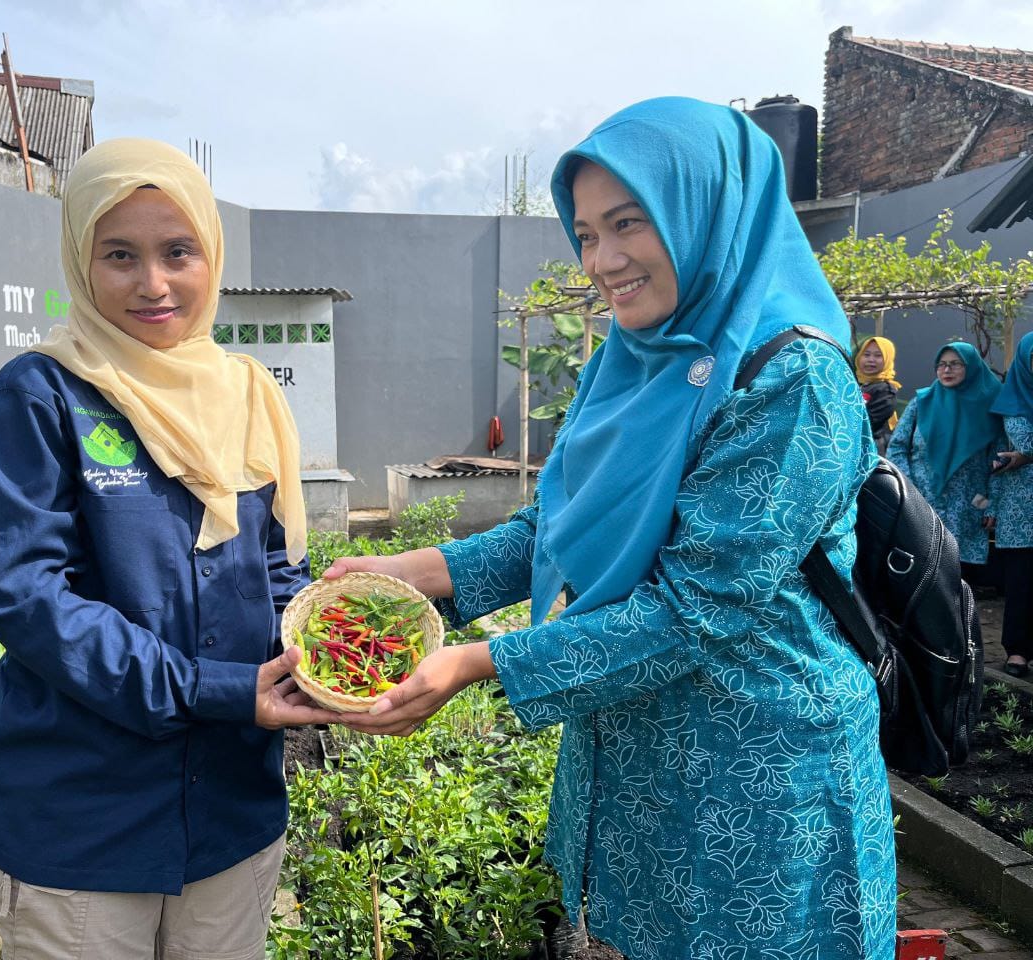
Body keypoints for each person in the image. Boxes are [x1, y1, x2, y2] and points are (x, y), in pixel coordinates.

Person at [330, 98, 896, 959]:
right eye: (586, 233)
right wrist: (423, 570)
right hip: (634, 762)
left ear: (705, 210)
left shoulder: (792, 379)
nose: (603, 259)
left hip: (758, 778)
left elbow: (697, 609)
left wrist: (478, 661)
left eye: (629, 223)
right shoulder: (627, 361)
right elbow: (561, 525)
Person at [0, 139, 339, 960]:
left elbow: (275, 571)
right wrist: (212, 688)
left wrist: (327, 659)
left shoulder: (245, 394)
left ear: (210, 257)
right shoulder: (43, 395)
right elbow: (26, 595)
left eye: (178, 252)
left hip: (231, 819)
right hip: (84, 829)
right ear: (81, 262)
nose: (153, 284)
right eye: (120, 255)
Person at [887, 341, 1003, 578]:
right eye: (941, 365)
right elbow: (897, 447)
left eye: (955, 364)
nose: (946, 370)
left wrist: (991, 502)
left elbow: (999, 461)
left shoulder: (989, 408)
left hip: (968, 503)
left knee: (956, 577)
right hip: (921, 501)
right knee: (920, 569)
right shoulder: (922, 402)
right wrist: (909, 488)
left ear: (971, 367)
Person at [990, 330, 1033, 677]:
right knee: (1020, 582)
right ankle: (1017, 651)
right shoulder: (1011, 402)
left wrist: (1027, 456)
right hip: (1019, 509)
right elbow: (1016, 443)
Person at [855, 335, 900, 454]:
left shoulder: (886, 390)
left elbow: (870, 423)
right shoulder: (855, 383)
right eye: (866, 354)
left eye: (878, 355)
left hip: (869, 450)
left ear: (887, 359)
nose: (871, 359)